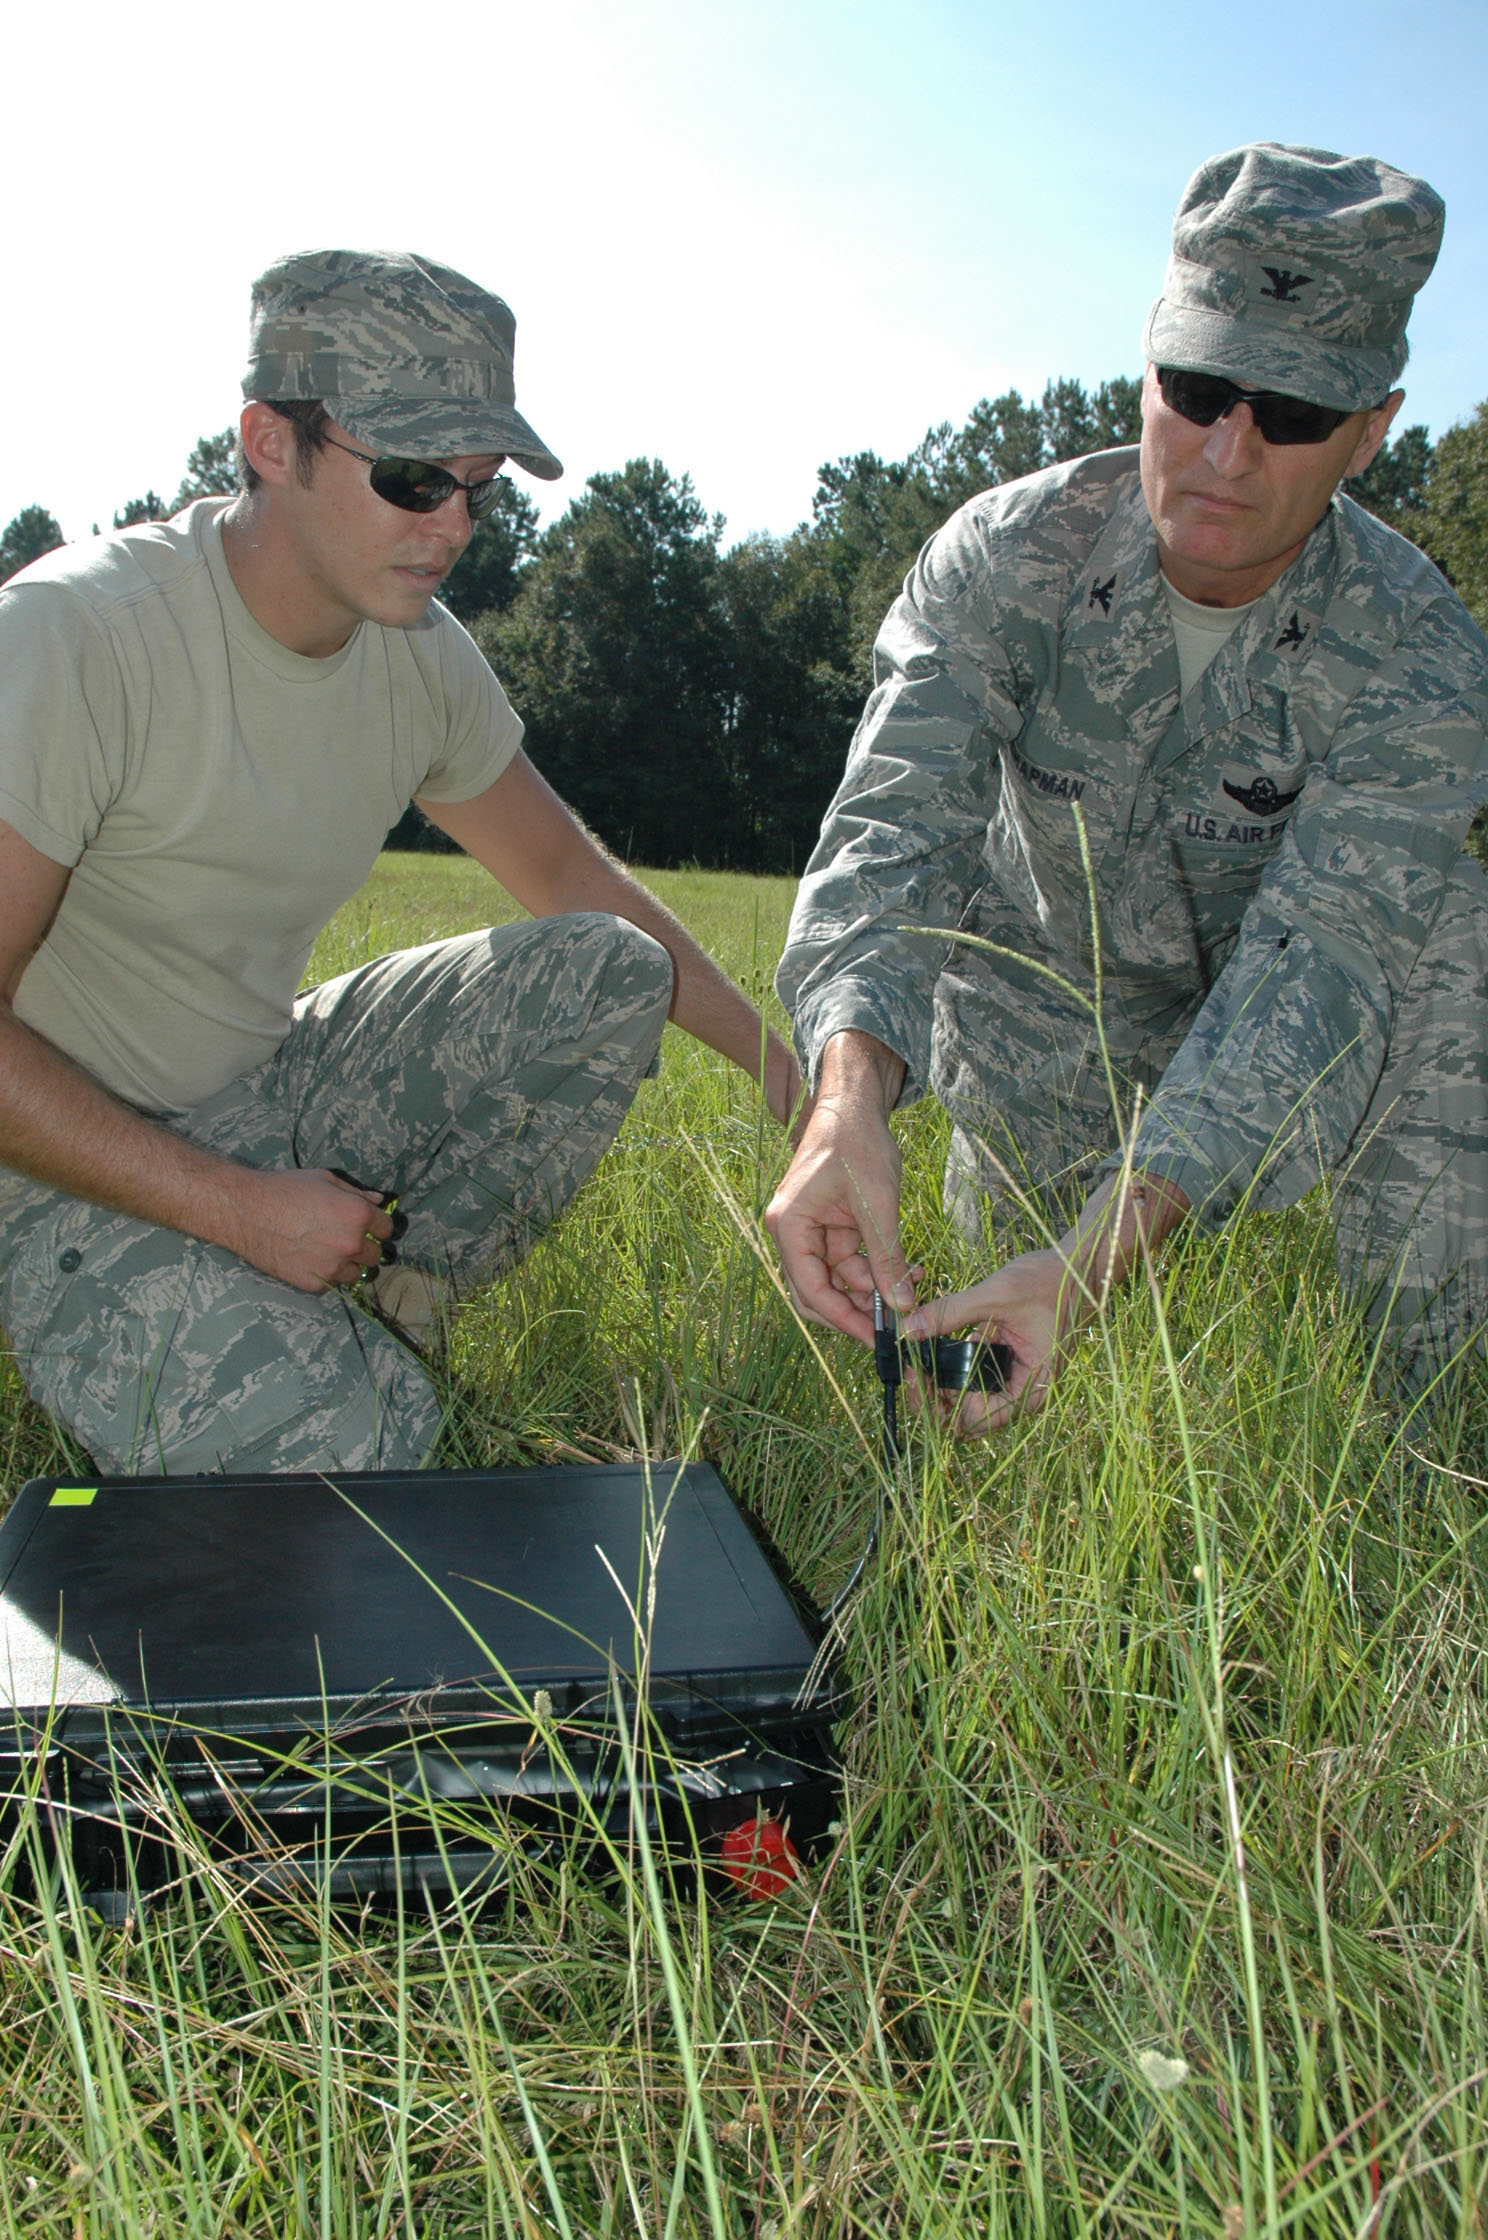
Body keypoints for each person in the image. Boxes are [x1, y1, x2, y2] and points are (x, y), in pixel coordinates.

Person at [0, 248, 798, 1476]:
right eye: (416, 479)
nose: (454, 529)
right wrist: (235, 1209)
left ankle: (388, 1309)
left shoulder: (418, 654)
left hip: (269, 1083)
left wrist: (798, 1086)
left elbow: (575, 886)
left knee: (608, 968)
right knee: (368, 1451)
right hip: (63, 1170)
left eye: (481, 490)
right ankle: (296, 1355)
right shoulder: (81, 636)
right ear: (271, 440)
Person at [767, 143, 1488, 1425]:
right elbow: (893, 831)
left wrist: (1103, 1258)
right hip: (1032, 1058)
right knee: (1020, 1424)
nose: (1227, 447)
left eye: (1295, 412)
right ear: (1147, 361)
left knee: (1463, 934)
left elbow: (1324, 954)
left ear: (1371, 432)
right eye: (1199, 383)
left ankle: (1418, 1461)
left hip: (1249, 1074)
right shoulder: (1005, 556)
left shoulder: (1421, 653)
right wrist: (848, 1096)